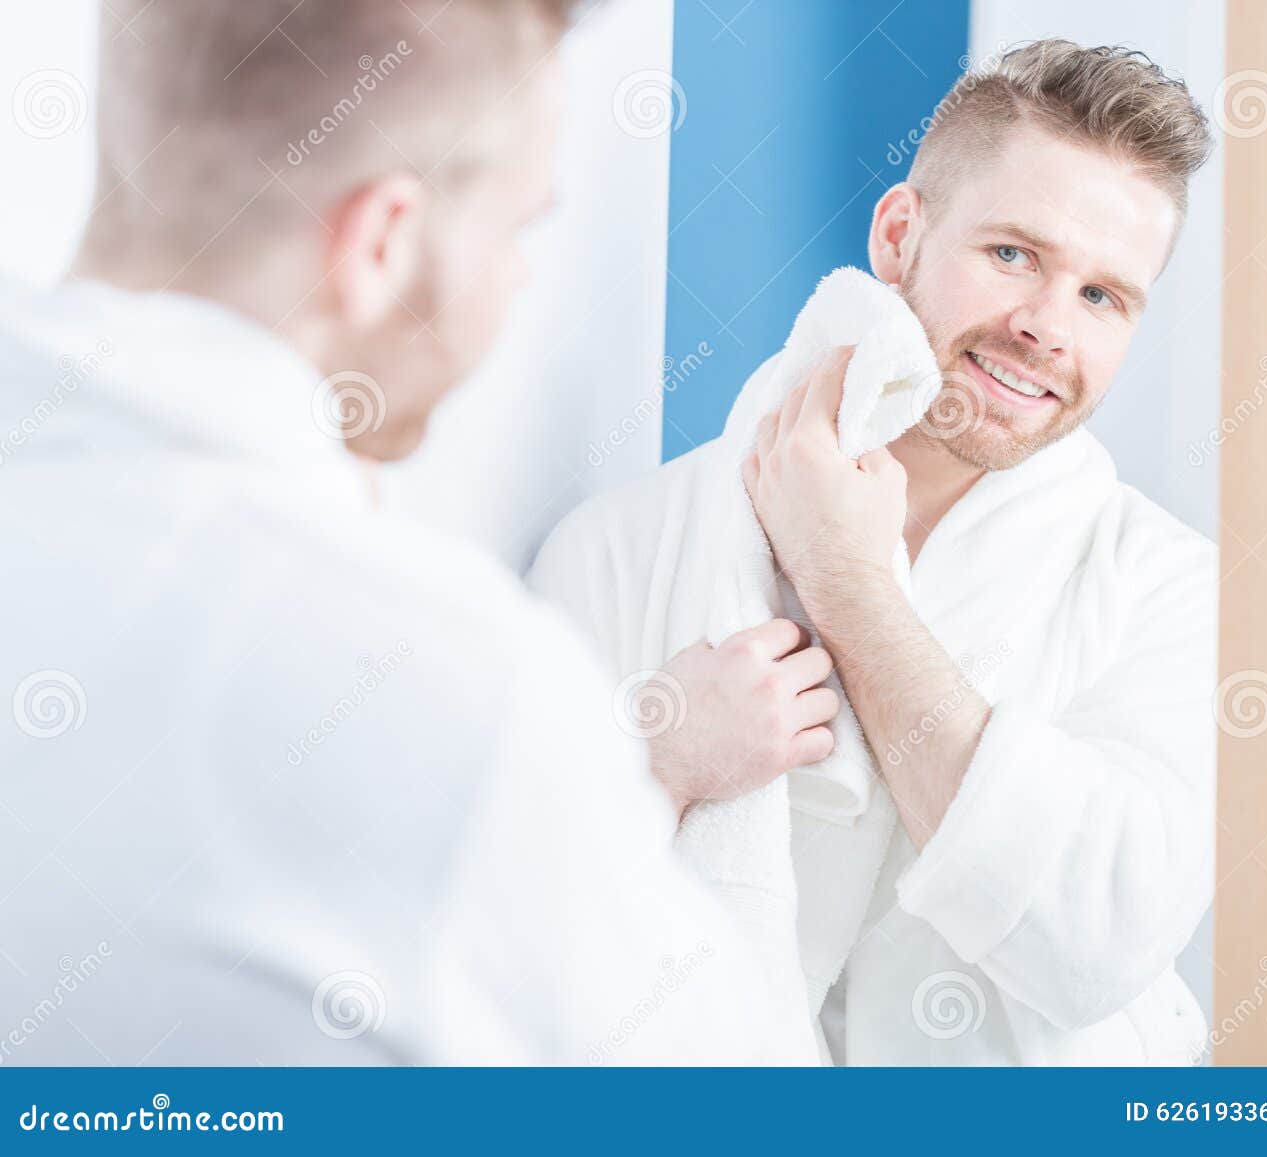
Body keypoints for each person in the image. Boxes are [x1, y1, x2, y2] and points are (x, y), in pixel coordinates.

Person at [0, 0, 830, 1065]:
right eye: (518, 229)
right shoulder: (455, 690)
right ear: (380, 243)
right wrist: (631, 777)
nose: (519, 279)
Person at [531, 40, 1221, 1064]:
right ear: (899, 234)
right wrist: (665, 761)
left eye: (1101, 297)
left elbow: (1099, 943)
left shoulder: (1169, 589)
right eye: (1013, 255)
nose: (1045, 327)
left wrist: (849, 587)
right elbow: (514, 924)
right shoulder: (623, 547)